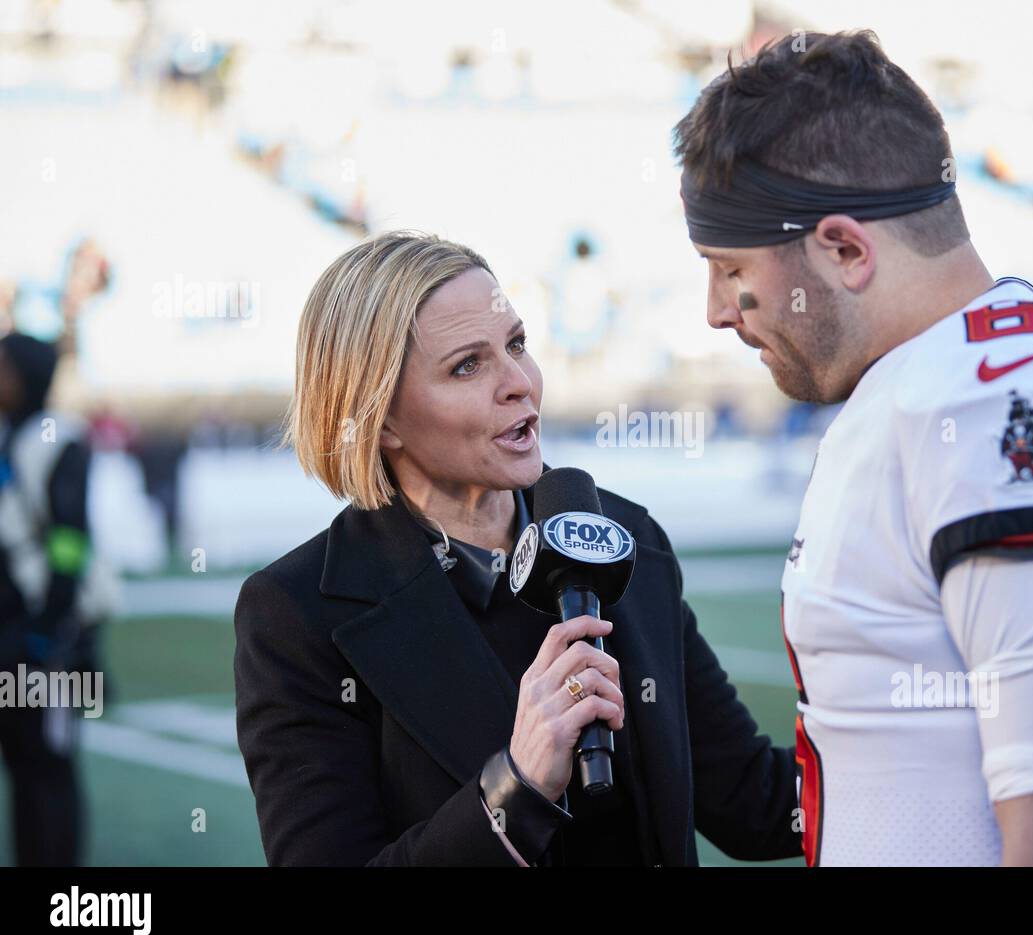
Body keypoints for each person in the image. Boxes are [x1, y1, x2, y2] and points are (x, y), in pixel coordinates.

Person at [673, 30, 1033, 866]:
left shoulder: (1005, 396)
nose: (717, 311)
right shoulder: (939, 381)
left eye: (729, 268)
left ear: (843, 250)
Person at [233, 231, 801, 866]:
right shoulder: (298, 613)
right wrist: (517, 787)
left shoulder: (626, 534)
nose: (519, 382)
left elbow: (753, 799)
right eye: (466, 365)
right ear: (379, 417)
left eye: (517, 344)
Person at [0, 332, 114, 865]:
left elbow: (70, 538)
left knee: (49, 765)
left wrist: (50, 625)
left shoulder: (57, 437)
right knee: (22, 765)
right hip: (12, 631)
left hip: (46, 635)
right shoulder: (8, 433)